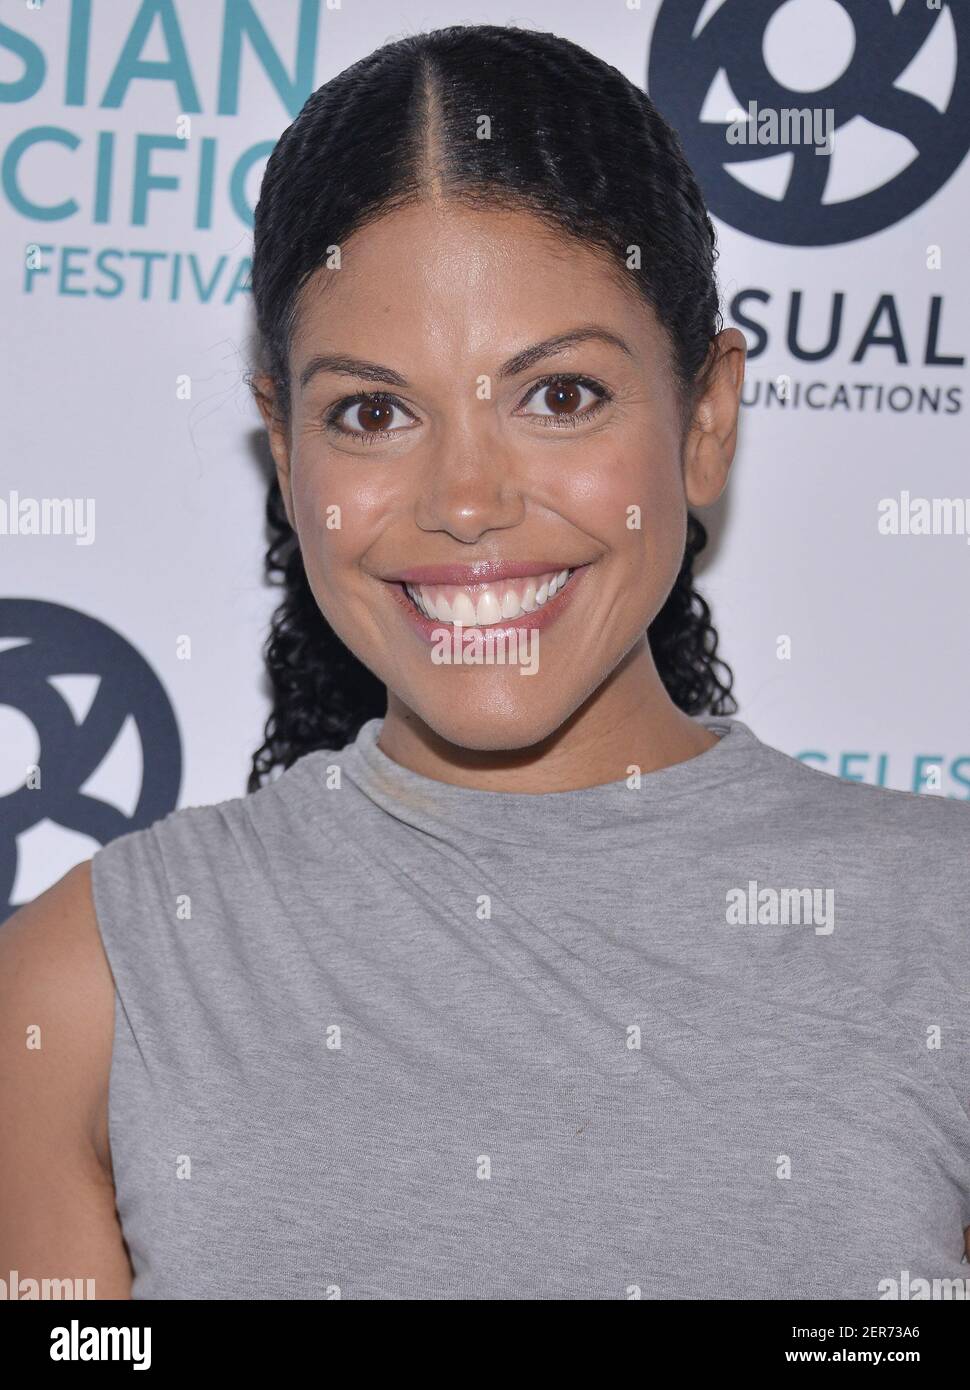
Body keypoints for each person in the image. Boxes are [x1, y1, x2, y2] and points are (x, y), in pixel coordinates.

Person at [1, 23, 967, 1301]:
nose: (465, 499)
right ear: (286, 457)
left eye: (558, 395)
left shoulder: (939, 922)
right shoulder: (86, 981)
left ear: (704, 417)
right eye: (373, 411)